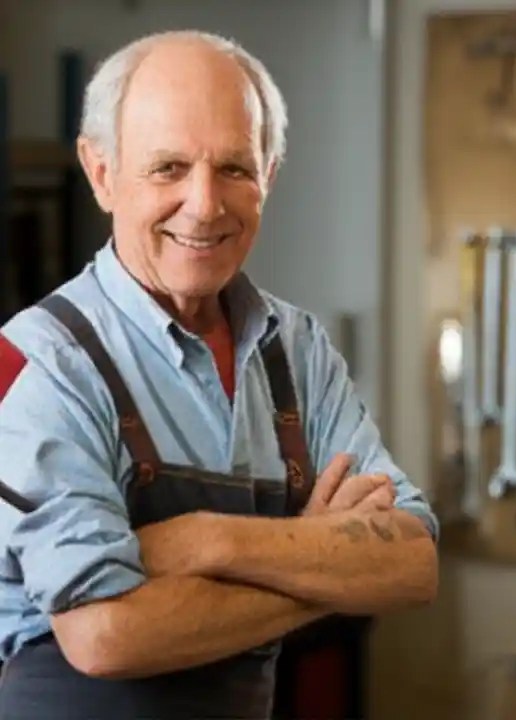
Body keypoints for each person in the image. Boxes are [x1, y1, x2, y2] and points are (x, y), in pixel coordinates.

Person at [0, 30, 439, 719]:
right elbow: (105, 634)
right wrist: (321, 559)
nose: (204, 205)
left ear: (271, 171)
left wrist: (209, 541)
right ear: (102, 172)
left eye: (234, 167)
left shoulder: (298, 353)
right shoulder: (39, 365)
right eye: (168, 168)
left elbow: (412, 561)